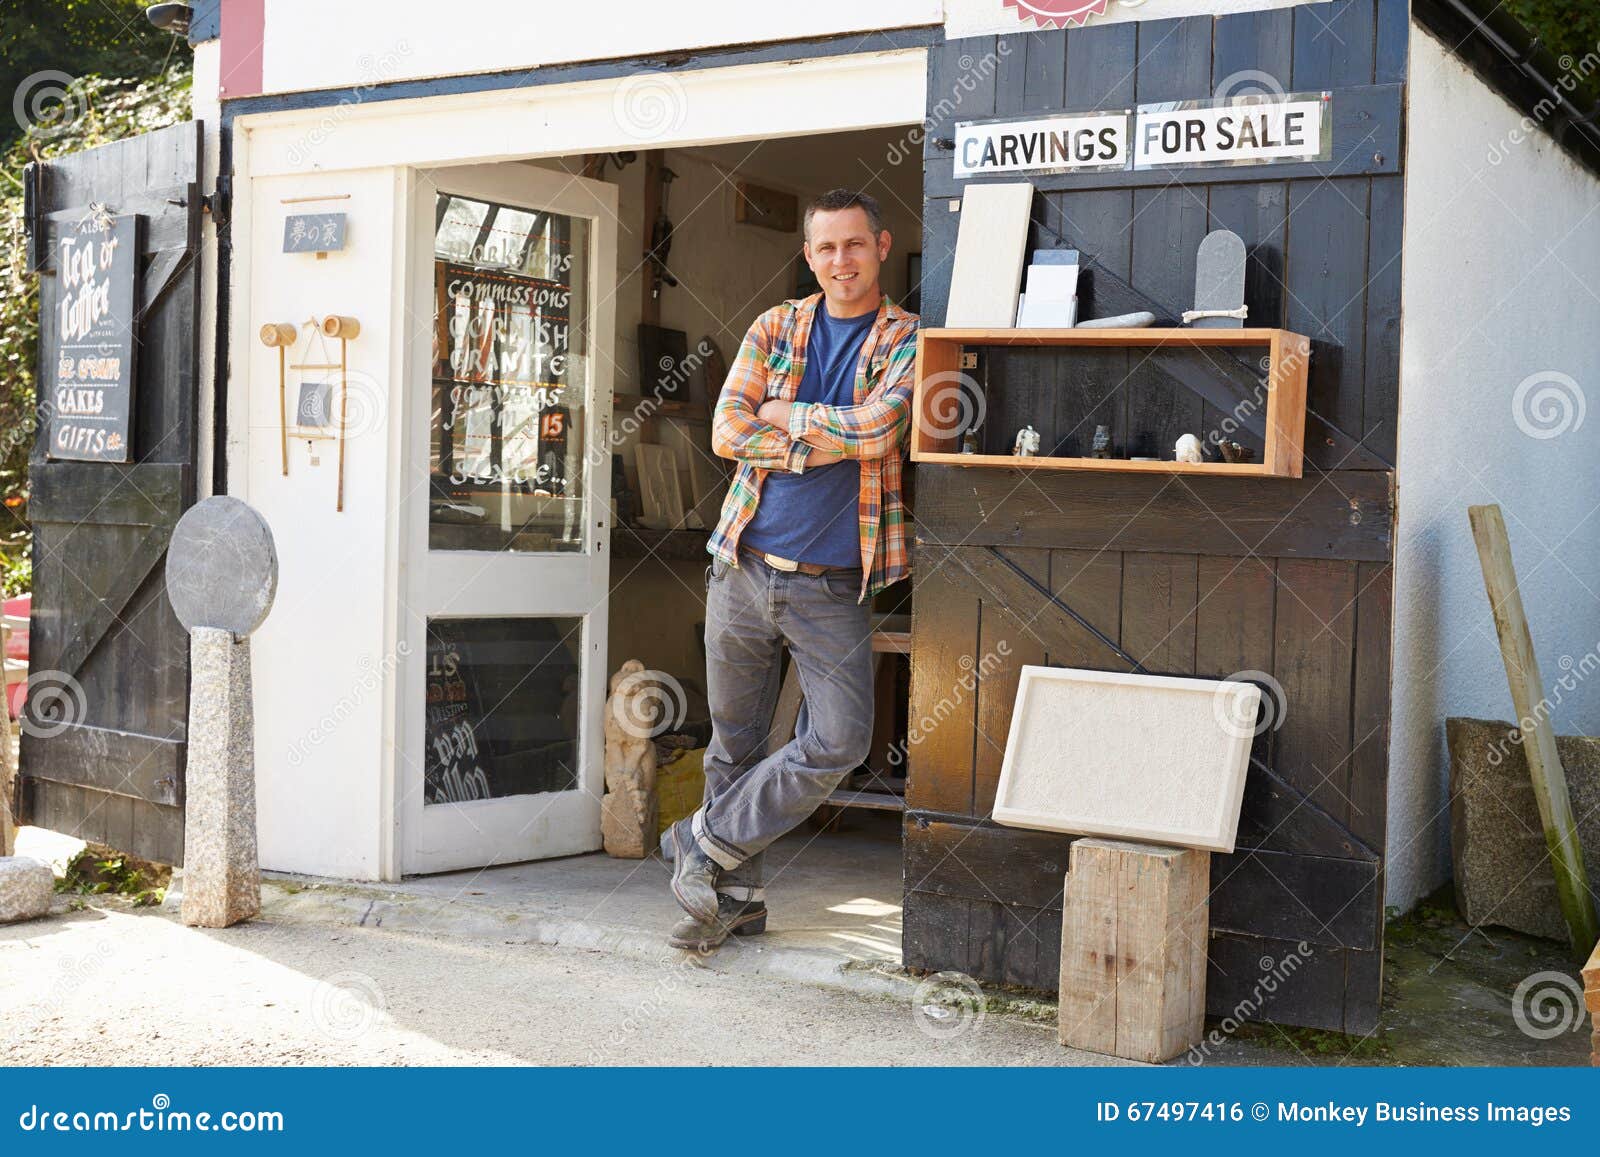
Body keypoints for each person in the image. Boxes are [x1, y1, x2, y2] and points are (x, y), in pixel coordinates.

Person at [663, 188, 919, 951]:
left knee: (839, 738)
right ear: (809, 255)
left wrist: (782, 414)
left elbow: (879, 429)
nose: (842, 260)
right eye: (826, 248)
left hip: (833, 580)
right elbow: (726, 428)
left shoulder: (908, 337)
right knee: (733, 745)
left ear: (881, 246)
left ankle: (701, 839)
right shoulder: (776, 325)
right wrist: (812, 443)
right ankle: (732, 902)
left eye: (855, 244)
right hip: (741, 564)